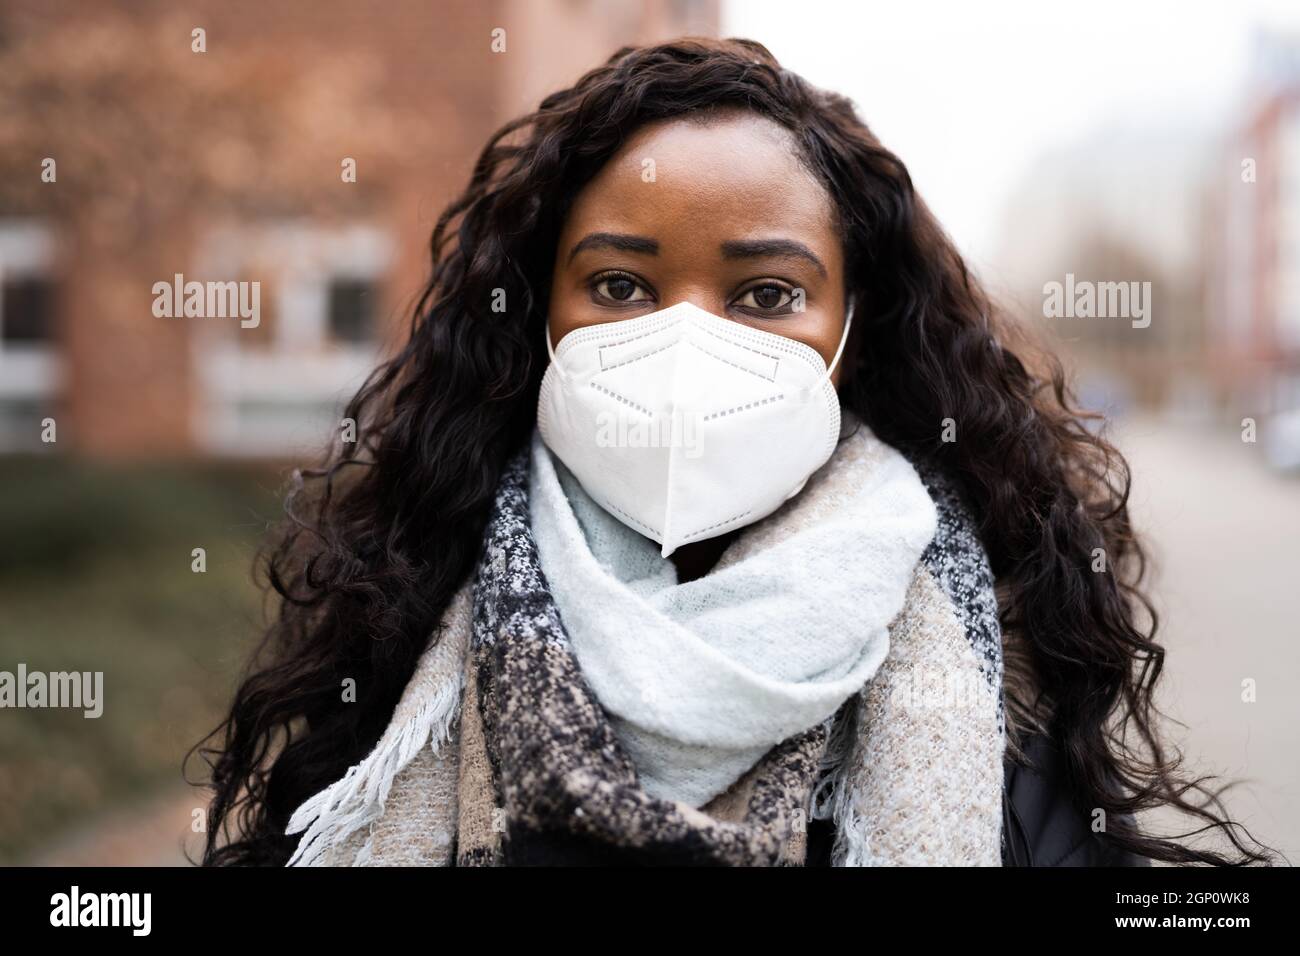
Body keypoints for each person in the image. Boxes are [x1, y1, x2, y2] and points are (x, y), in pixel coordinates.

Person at [192, 37, 1276, 867]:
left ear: (854, 335)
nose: (688, 338)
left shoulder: (993, 649)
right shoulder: (407, 599)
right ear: (539, 312)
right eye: (620, 284)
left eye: (766, 294)